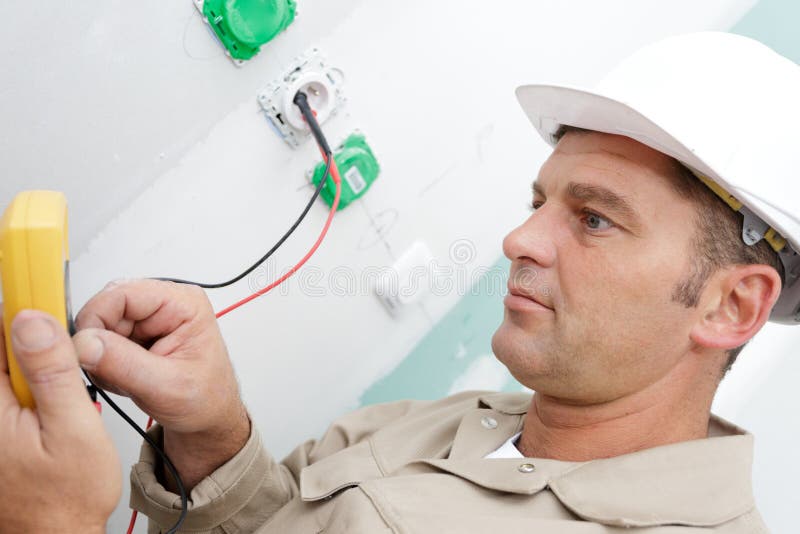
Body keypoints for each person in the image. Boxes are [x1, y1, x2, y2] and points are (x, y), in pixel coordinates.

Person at [1, 31, 798, 533]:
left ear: (732, 305)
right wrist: (213, 439)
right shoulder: (455, 425)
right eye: (538, 202)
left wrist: (52, 523)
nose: (520, 239)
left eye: (593, 219)